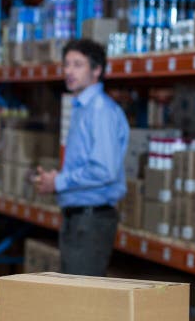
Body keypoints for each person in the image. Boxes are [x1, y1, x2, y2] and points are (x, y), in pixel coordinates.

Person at [33, 38, 129, 276]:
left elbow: (104, 170)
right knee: (76, 295)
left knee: (84, 299)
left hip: (91, 219)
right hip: (78, 217)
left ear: (96, 70)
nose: (68, 71)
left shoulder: (100, 111)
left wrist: (59, 182)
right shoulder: (82, 108)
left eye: (78, 64)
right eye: (66, 64)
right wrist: (58, 179)